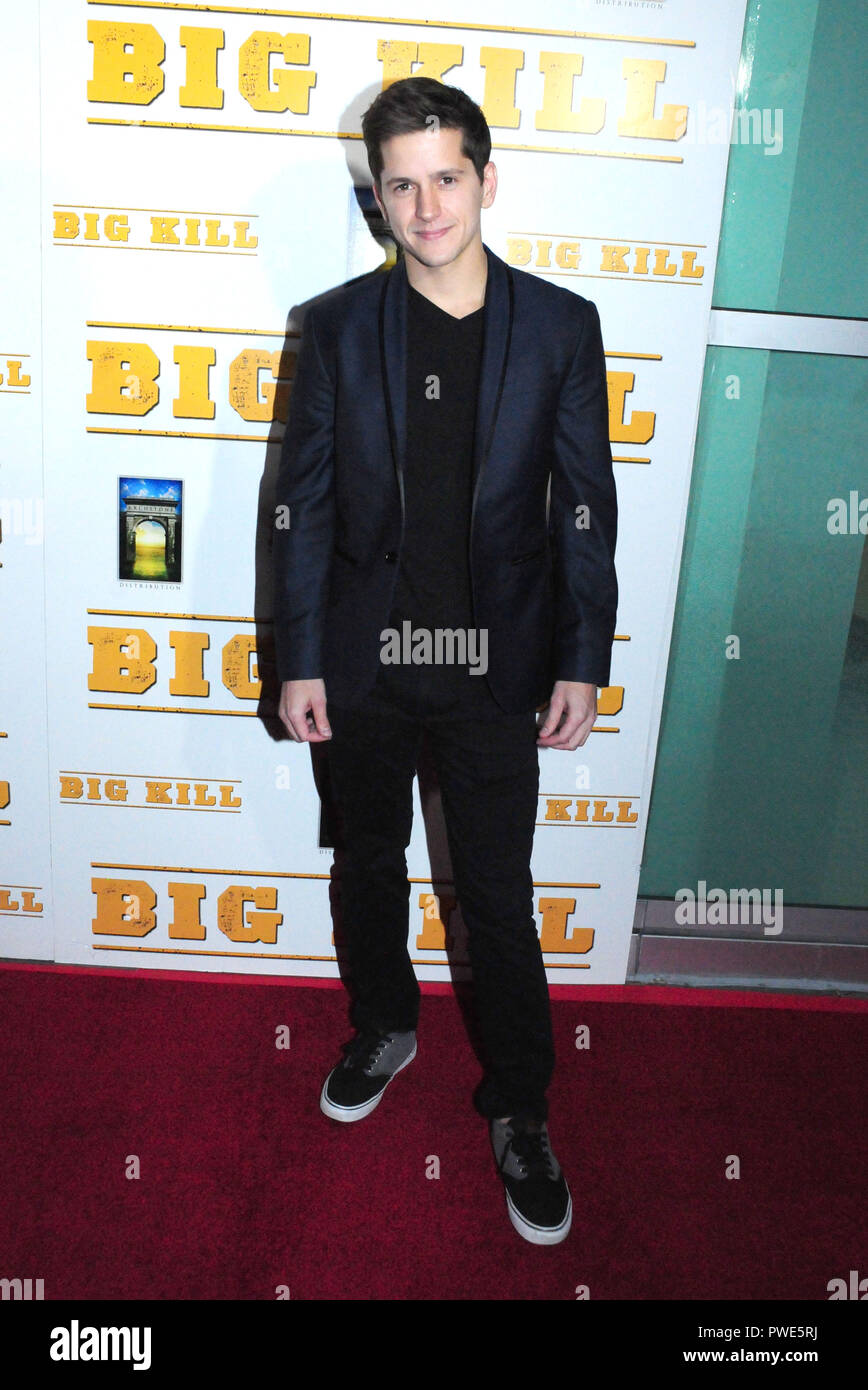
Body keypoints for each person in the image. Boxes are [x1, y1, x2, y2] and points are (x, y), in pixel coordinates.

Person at [273, 75, 618, 1246]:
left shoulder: (561, 327)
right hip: (366, 664)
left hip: (491, 670)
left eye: (446, 178)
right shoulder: (331, 327)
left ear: (486, 178)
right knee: (367, 862)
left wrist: (583, 654)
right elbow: (302, 504)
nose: (424, 207)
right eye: (400, 185)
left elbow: (584, 505)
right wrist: (301, 655)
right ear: (377, 194)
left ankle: (519, 1104)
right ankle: (384, 1021)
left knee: (499, 900)